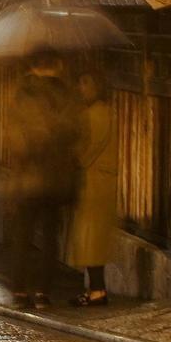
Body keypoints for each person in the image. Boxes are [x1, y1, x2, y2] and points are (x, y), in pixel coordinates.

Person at [0, 55, 80, 310]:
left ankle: (19, 292)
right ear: (56, 64)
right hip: (55, 179)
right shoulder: (66, 95)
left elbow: (14, 138)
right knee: (50, 238)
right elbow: (75, 132)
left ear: (32, 66)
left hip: (27, 180)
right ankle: (43, 293)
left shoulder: (21, 94)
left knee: (23, 238)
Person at [64, 67, 119, 306]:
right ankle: (96, 289)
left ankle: (97, 291)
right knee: (92, 239)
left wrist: (72, 157)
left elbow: (88, 149)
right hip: (99, 182)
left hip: (94, 183)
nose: (81, 88)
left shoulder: (96, 114)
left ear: (96, 87)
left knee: (91, 239)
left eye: (85, 83)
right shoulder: (103, 111)